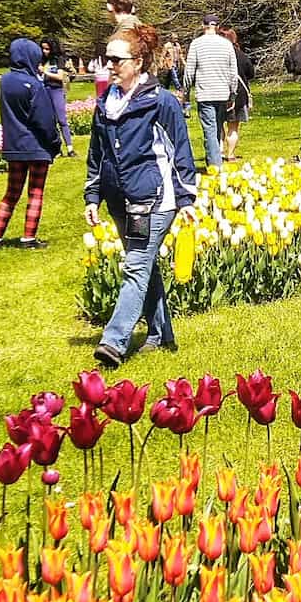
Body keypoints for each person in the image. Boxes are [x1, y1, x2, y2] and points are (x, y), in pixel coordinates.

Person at [85, 23, 196, 366]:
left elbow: (181, 152)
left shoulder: (161, 102)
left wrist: (187, 198)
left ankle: (114, 342)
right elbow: (97, 154)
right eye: (108, 59)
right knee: (145, 267)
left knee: (135, 266)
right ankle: (161, 333)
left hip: (154, 200)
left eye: (117, 60)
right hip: (120, 200)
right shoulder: (105, 103)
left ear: (139, 62)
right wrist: (93, 195)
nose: (110, 66)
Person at [0, 38, 61, 251]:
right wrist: (55, 142)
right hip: (36, 146)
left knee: (11, 192)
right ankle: (28, 237)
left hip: (14, 145)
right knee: (35, 192)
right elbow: (44, 120)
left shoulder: (5, 81)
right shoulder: (34, 85)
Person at [184, 12, 240, 172]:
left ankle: (215, 166)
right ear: (217, 27)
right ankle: (216, 160)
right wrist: (233, 93)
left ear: (204, 26)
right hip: (223, 93)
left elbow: (189, 72)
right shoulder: (226, 44)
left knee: (210, 129)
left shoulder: (196, 44)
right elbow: (232, 71)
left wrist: (186, 91)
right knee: (215, 128)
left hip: (205, 93)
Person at [224, 28, 254, 161]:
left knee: (218, 125)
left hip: (218, 92)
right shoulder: (240, 55)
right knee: (233, 126)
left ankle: (217, 153)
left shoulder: (217, 56)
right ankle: (230, 154)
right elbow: (251, 73)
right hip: (238, 94)